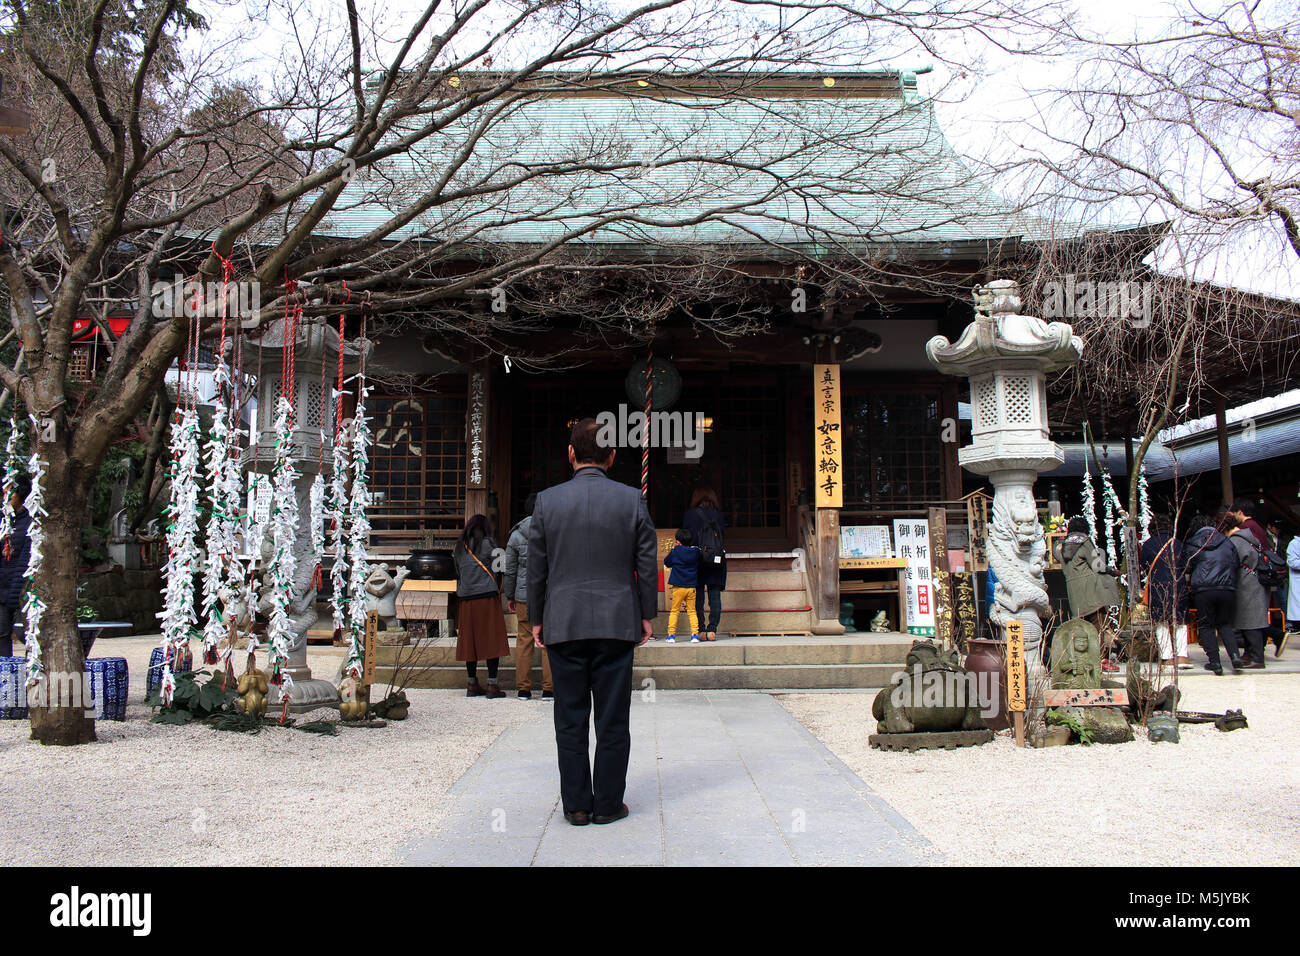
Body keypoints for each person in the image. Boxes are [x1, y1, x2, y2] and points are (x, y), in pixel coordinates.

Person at [528, 418, 657, 827]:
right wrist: (646, 613)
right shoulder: (632, 499)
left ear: (571, 454)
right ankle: (607, 805)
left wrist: (536, 618)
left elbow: (537, 568)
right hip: (617, 621)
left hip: (563, 621)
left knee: (570, 717)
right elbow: (646, 563)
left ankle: (577, 806)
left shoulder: (547, 502)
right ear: (612, 456)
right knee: (613, 719)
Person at [453, 513, 511, 698]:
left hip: (466, 599)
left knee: (470, 640)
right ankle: (492, 684)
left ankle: (471, 683)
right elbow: (502, 568)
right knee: (491, 639)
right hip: (487, 598)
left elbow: (457, 571)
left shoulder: (459, 548)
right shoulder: (490, 545)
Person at [504, 493, 552, 700]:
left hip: (523, 595)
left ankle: (523, 688)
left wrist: (509, 594)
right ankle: (549, 688)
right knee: (549, 640)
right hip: (549, 594)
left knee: (524, 640)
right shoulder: (552, 531)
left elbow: (511, 570)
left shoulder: (515, 536)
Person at [1059, 517, 1121, 672]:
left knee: (1080, 628)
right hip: (1092, 592)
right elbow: (1097, 565)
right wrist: (1112, 571)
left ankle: (1080, 659)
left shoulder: (1060, 547)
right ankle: (1100, 660)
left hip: (1074, 594)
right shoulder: (1084, 541)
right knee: (1098, 625)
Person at [1185, 512, 1242, 674]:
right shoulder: (1226, 541)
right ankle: (1235, 656)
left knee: (1207, 625)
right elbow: (1236, 563)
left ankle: (1215, 663)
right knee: (1225, 624)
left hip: (1203, 590)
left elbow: (1187, 567)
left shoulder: (1192, 543)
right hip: (1226, 588)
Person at [1139, 513, 1190, 669]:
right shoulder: (1178, 544)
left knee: (1161, 622)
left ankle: (1167, 657)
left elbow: (1144, 566)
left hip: (1157, 587)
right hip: (1177, 586)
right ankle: (1182, 656)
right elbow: (1186, 565)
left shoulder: (1147, 545)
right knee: (1180, 621)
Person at [1227, 512, 1270, 670]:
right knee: (1250, 620)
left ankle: (1257, 658)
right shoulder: (1248, 536)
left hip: (1248, 583)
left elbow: (1234, 561)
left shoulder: (1237, 541)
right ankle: (1250, 653)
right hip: (1253, 581)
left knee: (1250, 621)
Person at [683, 486, 726, 641]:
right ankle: (712, 629)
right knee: (714, 595)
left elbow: (686, 535)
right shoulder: (719, 516)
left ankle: (700, 629)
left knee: (698, 596)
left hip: (697, 557)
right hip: (716, 557)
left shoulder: (690, 515)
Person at [0, 477, 32, 658]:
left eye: (10, 492)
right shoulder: (3, 519)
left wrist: (17, 589)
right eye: (4, 492)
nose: (6, 496)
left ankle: (32, 674)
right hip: (2, 583)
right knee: (2, 633)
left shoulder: (30, 521)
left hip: (20, 586)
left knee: (25, 633)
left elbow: (26, 559)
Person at [663, 528, 701, 643]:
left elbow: (667, 562)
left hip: (678, 586)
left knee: (674, 611)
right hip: (691, 586)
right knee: (692, 611)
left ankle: (671, 636)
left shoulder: (675, 551)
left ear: (678, 541)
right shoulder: (696, 552)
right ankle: (694, 635)